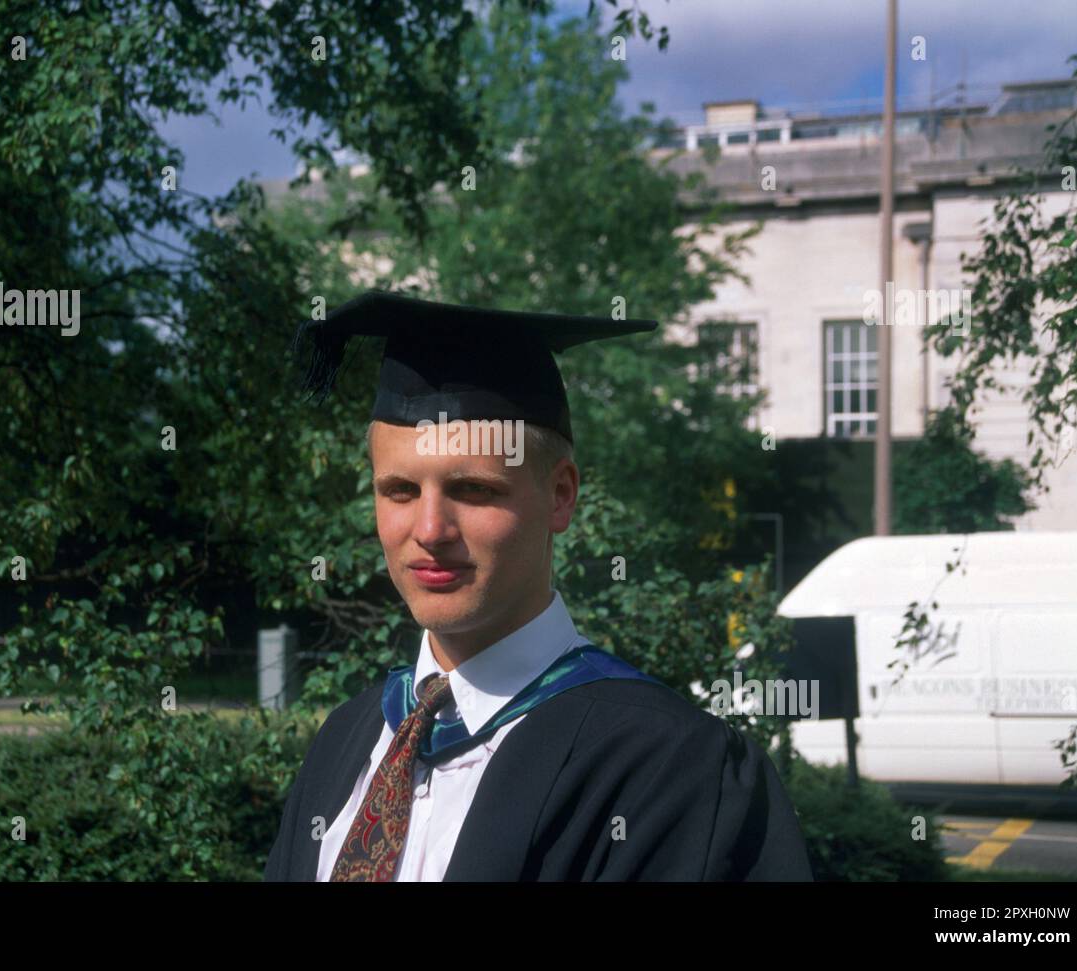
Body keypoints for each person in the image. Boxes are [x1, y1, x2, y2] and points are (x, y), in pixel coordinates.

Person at [264, 290, 813, 882]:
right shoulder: (345, 741)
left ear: (560, 495)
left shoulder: (671, 764)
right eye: (399, 490)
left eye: (474, 490)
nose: (429, 530)